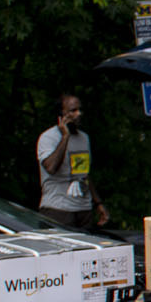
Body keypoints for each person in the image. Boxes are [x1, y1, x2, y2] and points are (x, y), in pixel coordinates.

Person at [35, 93, 113, 232]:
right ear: (61, 114)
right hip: (58, 209)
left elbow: (83, 174)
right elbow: (51, 167)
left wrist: (98, 203)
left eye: (80, 109)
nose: (79, 114)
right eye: (73, 110)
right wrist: (65, 137)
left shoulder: (84, 138)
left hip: (83, 210)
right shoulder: (48, 138)